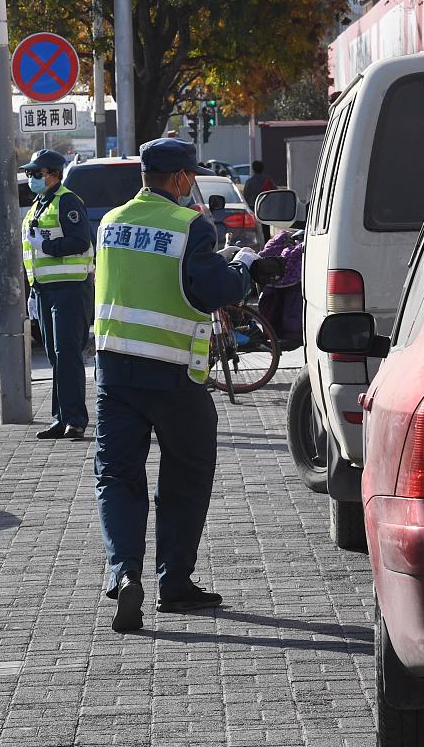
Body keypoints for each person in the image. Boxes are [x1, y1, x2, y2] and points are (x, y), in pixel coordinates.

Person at [93, 138, 283, 632]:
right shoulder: (189, 225)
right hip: (174, 374)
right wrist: (244, 268)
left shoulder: (110, 223)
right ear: (179, 179)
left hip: (115, 373)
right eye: (191, 176)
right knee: (185, 477)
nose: (192, 183)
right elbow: (211, 290)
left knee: (116, 477)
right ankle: (173, 583)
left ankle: (122, 575)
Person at [21, 149, 94, 440]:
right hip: (45, 290)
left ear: (54, 174)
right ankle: (60, 417)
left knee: (67, 354)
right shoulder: (39, 204)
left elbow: (80, 241)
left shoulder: (67, 201)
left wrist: (48, 247)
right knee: (55, 356)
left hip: (70, 288)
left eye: (36, 174)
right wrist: (33, 290)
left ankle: (75, 419)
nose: (31, 178)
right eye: (29, 174)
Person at [257, 227, 305, 349]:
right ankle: (291, 334)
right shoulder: (295, 250)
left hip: (272, 282)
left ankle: (274, 333)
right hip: (291, 284)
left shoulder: (272, 250)